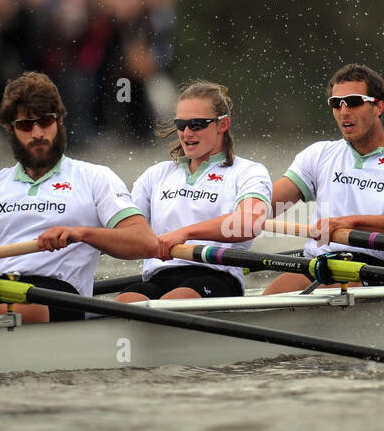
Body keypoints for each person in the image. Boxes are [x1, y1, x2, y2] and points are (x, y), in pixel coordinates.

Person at [0, 71, 156, 322]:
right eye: (26, 125)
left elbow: (144, 242)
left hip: (61, 296)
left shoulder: (95, 178)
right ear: (10, 129)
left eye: (45, 121)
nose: (37, 133)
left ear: (59, 121)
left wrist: (80, 234)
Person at [262, 63, 384, 294]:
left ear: (378, 107)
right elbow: (264, 207)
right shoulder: (319, 154)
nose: (344, 111)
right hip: (320, 263)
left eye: (354, 102)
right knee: (277, 291)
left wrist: (350, 222)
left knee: (340, 288)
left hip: (377, 268)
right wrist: (220, 219)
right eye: (337, 104)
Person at [116, 82, 271, 302]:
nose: (187, 133)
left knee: (176, 300)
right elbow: (125, 231)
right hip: (161, 275)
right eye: (181, 124)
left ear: (222, 124)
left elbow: (249, 222)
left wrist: (185, 233)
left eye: (197, 124)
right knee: (124, 303)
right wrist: (79, 235)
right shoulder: (156, 174)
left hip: (217, 276)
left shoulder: (247, 172)